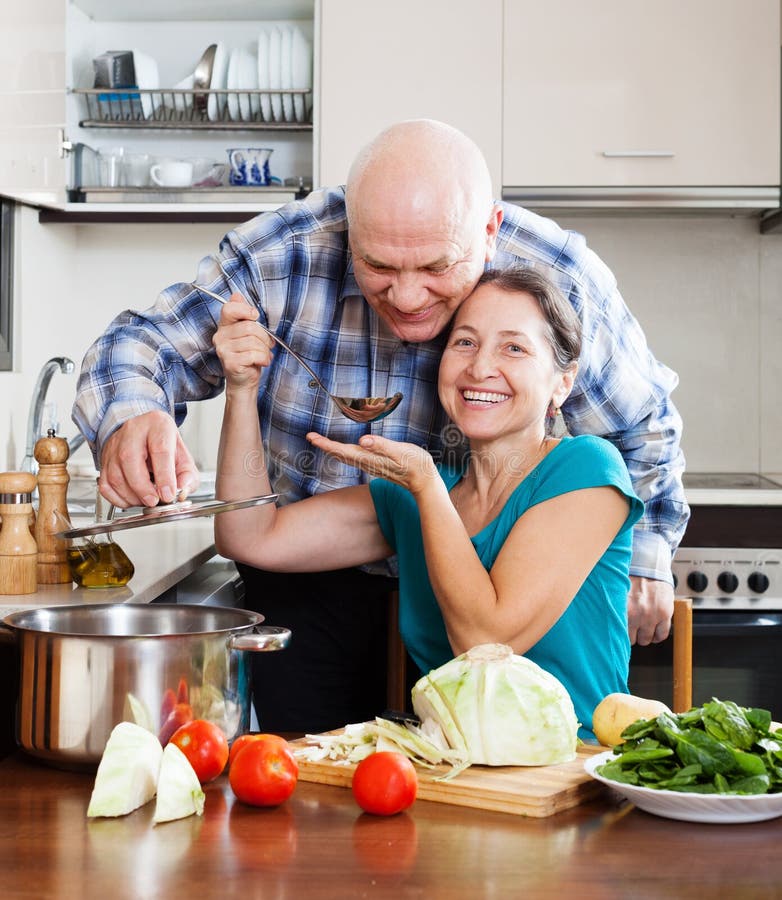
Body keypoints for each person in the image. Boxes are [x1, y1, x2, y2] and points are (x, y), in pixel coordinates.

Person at [72, 118, 688, 732]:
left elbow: (645, 423)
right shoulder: (288, 251)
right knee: (323, 784)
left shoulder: (560, 295)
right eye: (380, 268)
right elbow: (148, 353)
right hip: (324, 579)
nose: (409, 297)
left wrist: (647, 556)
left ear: (489, 231)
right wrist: (158, 410)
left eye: (436, 268)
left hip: (541, 715)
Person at [213, 267, 644, 737]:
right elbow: (248, 535)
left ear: (562, 383)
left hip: (569, 775)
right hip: (451, 775)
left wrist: (425, 487)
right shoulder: (421, 491)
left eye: (514, 348)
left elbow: (485, 644)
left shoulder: (586, 468)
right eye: (464, 342)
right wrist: (241, 388)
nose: (480, 367)